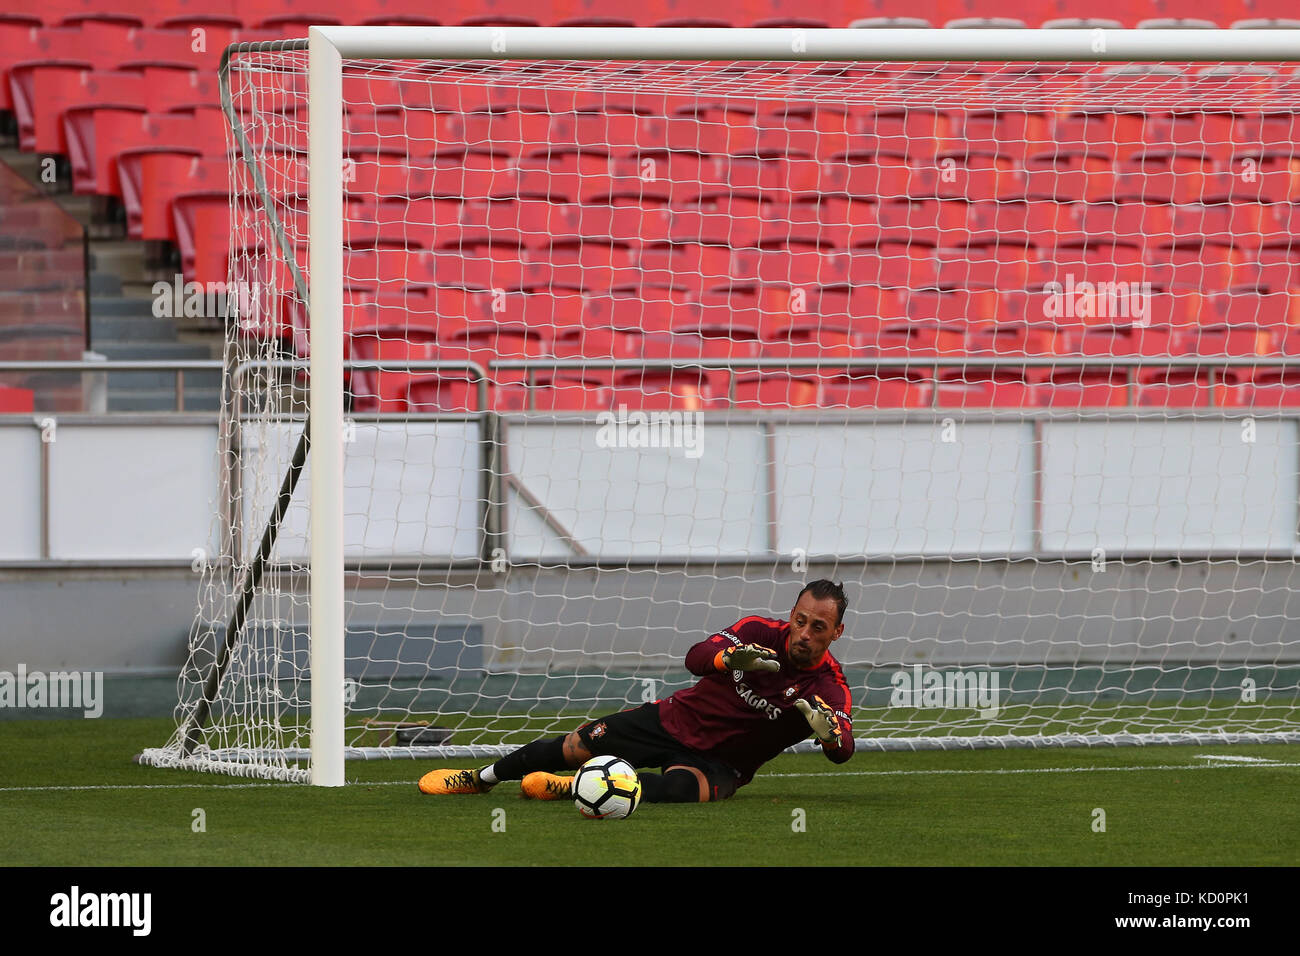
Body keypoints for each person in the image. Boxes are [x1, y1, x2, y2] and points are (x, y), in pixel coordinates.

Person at [418, 579, 854, 803]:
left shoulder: (830, 688)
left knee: (681, 790)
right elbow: (695, 656)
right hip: (669, 722)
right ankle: (479, 779)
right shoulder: (757, 631)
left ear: (836, 632)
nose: (804, 633)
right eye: (800, 620)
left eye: (818, 627)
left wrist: (831, 735)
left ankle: (571, 789)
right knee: (575, 744)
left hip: (722, 765)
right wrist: (727, 659)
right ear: (791, 614)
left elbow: (844, 750)